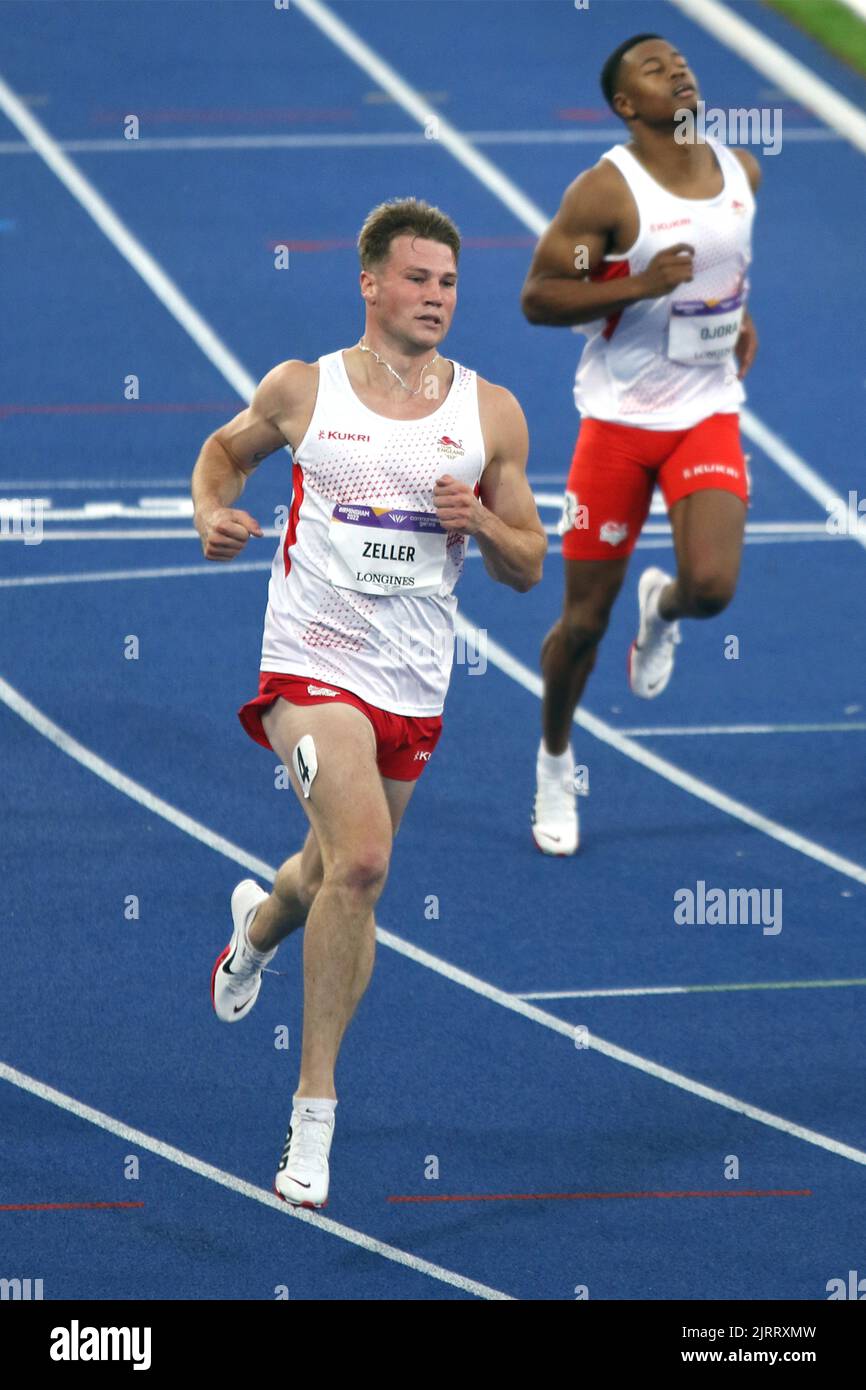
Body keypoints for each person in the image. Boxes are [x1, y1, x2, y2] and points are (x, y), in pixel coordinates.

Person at [191, 198, 546, 1208]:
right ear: (369, 284)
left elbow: (527, 564)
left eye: (446, 282)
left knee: (324, 874)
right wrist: (212, 511)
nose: (435, 297)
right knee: (363, 861)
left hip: (412, 686)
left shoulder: (489, 414)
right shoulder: (305, 391)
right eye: (417, 279)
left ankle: (258, 925)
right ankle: (312, 1115)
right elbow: (224, 454)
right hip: (309, 670)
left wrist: (475, 516)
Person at [521, 33, 760, 857]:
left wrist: (736, 318)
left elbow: (726, 271)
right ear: (627, 105)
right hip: (620, 425)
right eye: (655, 69)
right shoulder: (605, 194)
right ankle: (555, 760)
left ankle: (664, 609)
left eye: (681, 61)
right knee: (583, 623)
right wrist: (639, 283)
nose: (679, 70)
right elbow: (541, 297)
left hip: (705, 413)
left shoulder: (740, 174)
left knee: (714, 586)